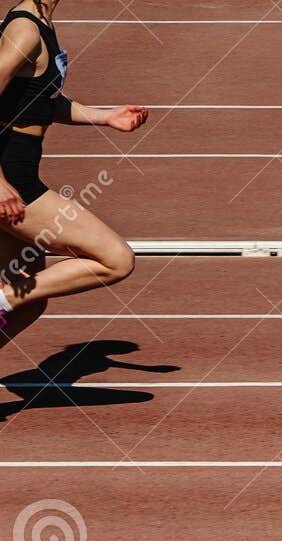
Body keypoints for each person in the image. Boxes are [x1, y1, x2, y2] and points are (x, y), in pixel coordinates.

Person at [0, 0, 148, 349]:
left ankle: (6, 298)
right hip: (12, 180)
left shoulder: (41, 24)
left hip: (17, 174)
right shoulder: (25, 28)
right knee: (115, 259)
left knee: (29, 298)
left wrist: (106, 116)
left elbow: (41, 100)